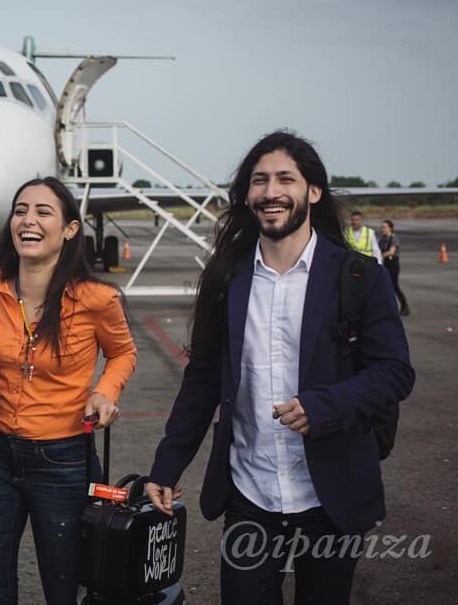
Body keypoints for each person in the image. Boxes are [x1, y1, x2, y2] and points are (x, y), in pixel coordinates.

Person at [145, 131, 414, 603]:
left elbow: (395, 372)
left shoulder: (359, 276)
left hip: (330, 495)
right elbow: (203, 379)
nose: (271, 192)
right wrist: (165, 466)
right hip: (251, 493)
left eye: (285, 179)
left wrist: (324, 406)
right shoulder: (226, 279)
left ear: (312, 191)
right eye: (259, 181)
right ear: (247, 196)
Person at [0, 177, 138, 604]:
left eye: (44, 212)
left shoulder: (97, 298)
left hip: (61, 461)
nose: (28, 220)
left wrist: (106, 391)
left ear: (70, 229)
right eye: (21, 210)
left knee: (64, 589)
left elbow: (123, 353)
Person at [379, 219, 410, 316]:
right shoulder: (383, 239)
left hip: (393, 265)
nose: (382, 229)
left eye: (384, 227)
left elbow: (391, 252)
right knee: (385, 287)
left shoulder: (394, 238)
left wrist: (380, 256)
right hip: (386, 265)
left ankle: (405, 306)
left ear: (390, 228)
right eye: (382, 227)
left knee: (395, 287)